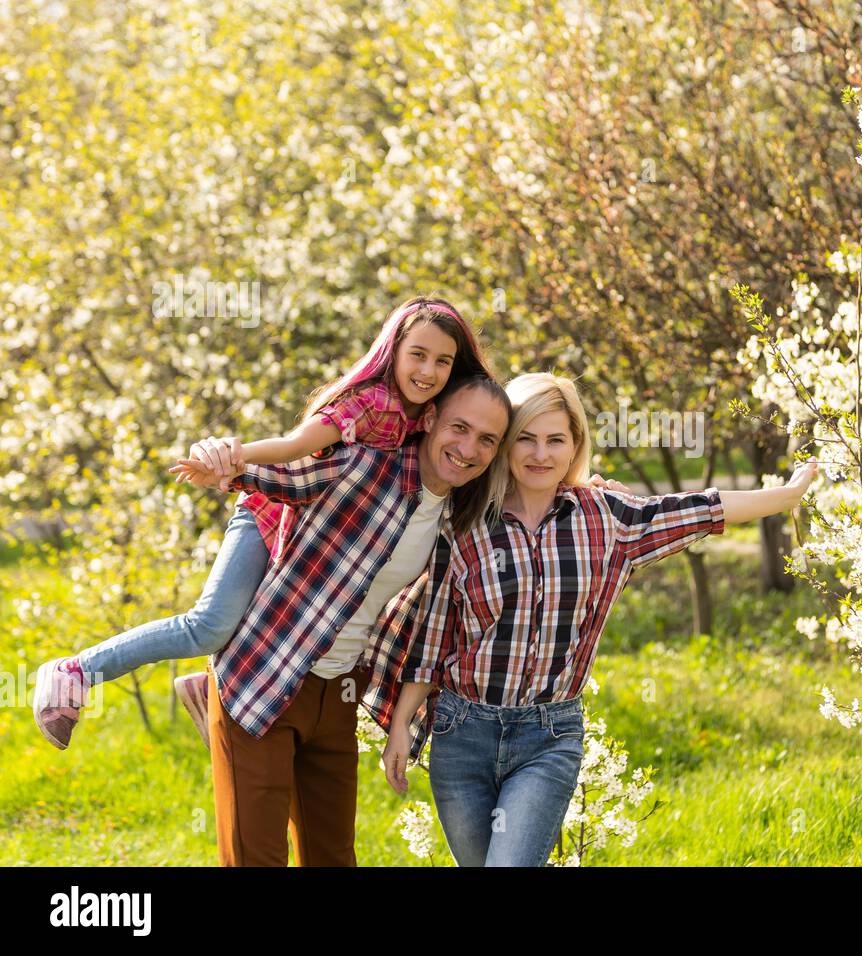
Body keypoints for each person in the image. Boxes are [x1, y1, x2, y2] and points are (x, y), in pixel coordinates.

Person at [366, 372, 817, 866]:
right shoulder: (466, 520)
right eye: (526, 439)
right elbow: (433, 638)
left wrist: (787, 496)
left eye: (555, 439)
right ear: (506, 445)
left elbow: (700, 509)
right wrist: (401, 725)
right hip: (462, 733)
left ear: (575, 443)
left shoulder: (607, 518)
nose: (540, 454)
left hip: (548, 737)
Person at [31, 296, 488, 751]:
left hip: (315, 531)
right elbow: (295, 446)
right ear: (393, 353)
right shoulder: (374, 403)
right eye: (418, 355)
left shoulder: (429, 414)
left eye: (443, 361)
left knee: (262, 625)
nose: (428, 371)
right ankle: (76, 670)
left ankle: (205, 688)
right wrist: (235, 456)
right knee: (210, 625)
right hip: (269, 515)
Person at [178, 374, 510, 866]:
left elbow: (536, 492)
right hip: (263, 672)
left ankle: (202, 696)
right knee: (256, 859)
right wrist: (227, 465)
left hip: (338, 692)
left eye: (487, 439)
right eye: (459, 427)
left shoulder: (463, 515)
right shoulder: (370, 464)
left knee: (332, 858)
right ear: (433, 418)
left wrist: (588, 488)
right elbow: (291, 473)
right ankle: (211, 696)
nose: (468, 448)